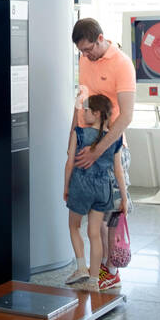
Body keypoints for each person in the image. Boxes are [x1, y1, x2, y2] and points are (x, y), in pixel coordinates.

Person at [71, 18, 136, 288]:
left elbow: (126, 116)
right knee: (93, 213)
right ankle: (99, 269)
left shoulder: (122, 64)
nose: (86, 56)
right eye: (81, 52)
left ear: (100, 38)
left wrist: (98, 151)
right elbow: (81, 103)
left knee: (111, 214)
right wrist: (73, 141)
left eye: (89, 49)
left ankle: (112, 270)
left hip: (111, 149)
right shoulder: (85, 60)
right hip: (87, 146)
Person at [63, 94, 129, 291]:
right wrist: (124, 198)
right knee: (95, 234)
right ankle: (94, 281)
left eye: (87, 110)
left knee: (74, 226)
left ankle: (81, 267)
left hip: (81, 186)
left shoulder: (79, 133)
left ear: (97, 113)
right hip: (103, 189)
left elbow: (69, 163)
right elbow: (118, 171)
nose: (84, 113)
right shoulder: (114, 138)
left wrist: (66, 187)